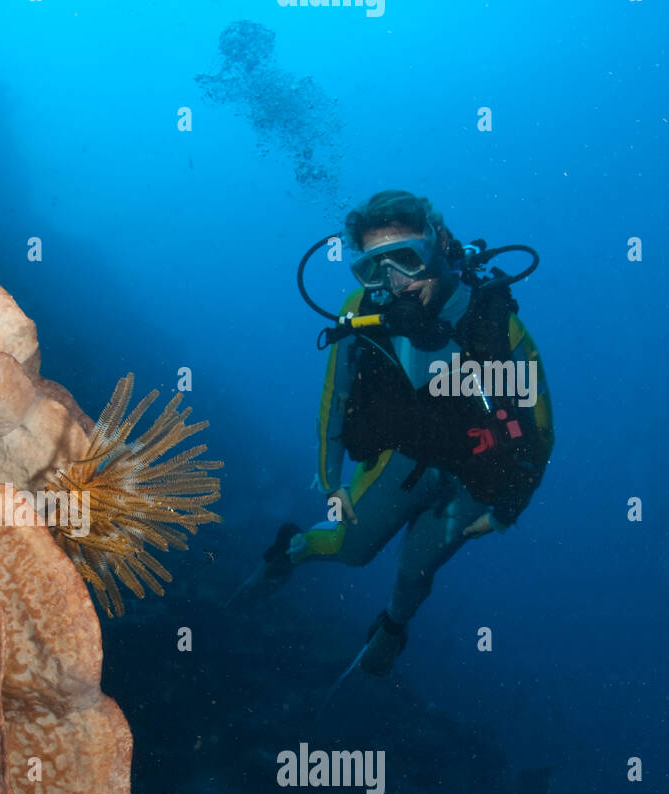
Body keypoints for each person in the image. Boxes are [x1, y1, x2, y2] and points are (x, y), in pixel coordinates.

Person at [238, 190, 555, 676]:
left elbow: (539, 428)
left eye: (406, 259)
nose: (396, 283)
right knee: (350, 549)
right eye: (375, 267)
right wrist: (329, 483)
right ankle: (289, 549)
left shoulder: (497, 326)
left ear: (440, 243)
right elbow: (335, 398)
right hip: (401, 461)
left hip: (472, 476)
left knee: (416, 568)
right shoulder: (361, 309)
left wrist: (510, 509)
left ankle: (391, 629)